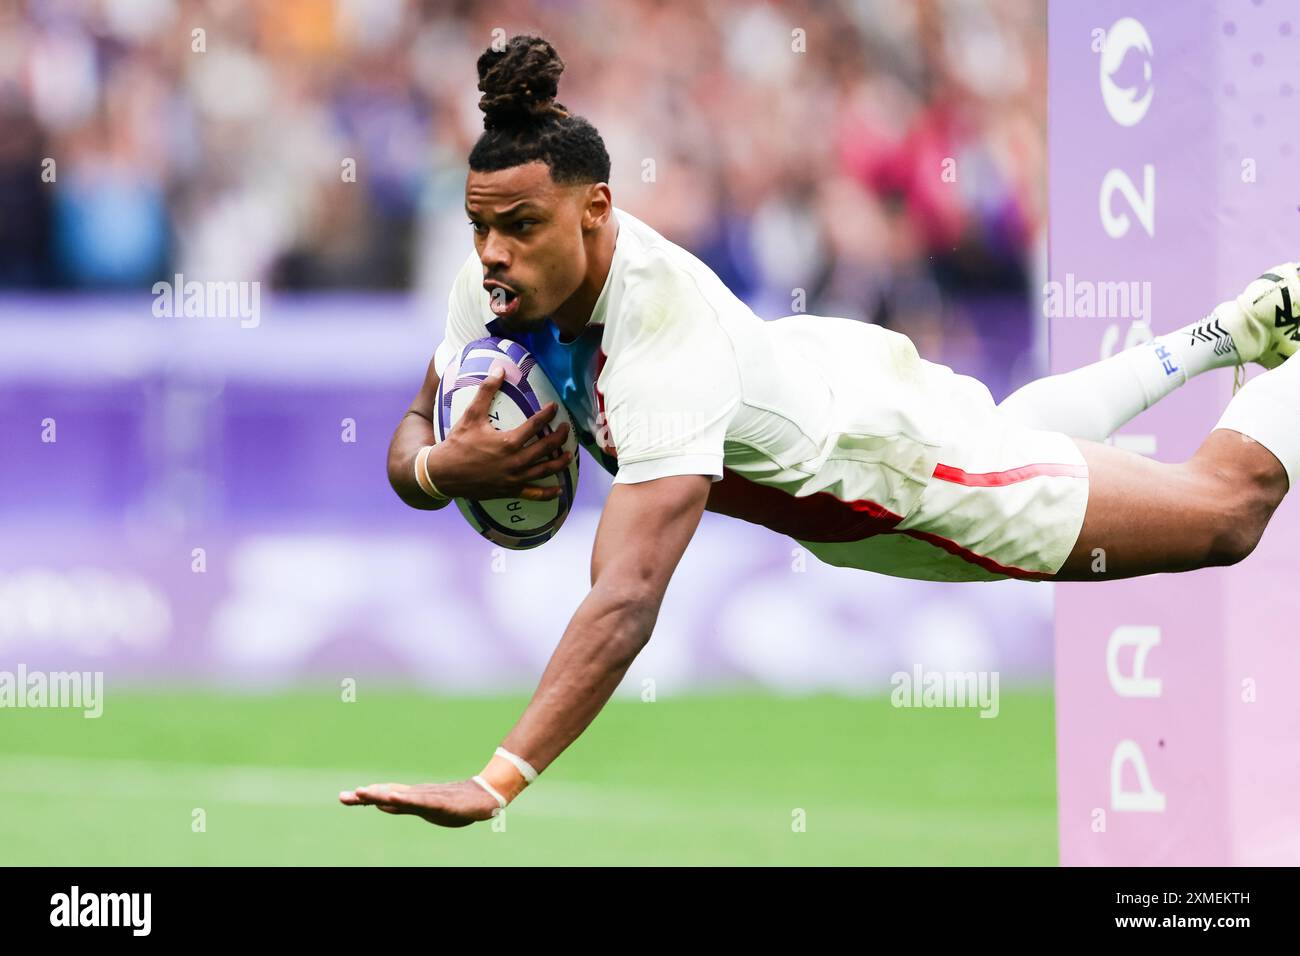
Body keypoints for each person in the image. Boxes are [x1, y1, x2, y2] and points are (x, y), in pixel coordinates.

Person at [340, 34, 1299, 827]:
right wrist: (435, 466)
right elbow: (415, 426)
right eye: (479, 229)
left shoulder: (663, 334)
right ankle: (1244, 325)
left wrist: (497, 778)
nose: (494, 253)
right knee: (1018, 440)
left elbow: (627, 594)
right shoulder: (496, 277)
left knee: (1226, 514)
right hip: (830, 381)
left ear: (596, 211)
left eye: (518, 225)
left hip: (903, 476)